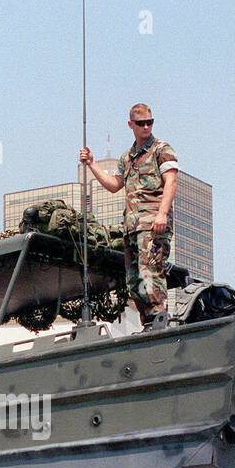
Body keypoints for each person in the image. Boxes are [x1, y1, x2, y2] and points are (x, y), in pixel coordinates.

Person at [79, 103, 180, 328]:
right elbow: (115, 185)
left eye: (150, 122)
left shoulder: (161, 149)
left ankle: (159, 318)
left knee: (150, 271)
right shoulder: (127, 158)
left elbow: (171, 181)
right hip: (132, 227)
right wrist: (92, 164)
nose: (146, 127)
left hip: (153, 223)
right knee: (133, 279)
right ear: (130, 125)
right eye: (141, 123)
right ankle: (148, 322)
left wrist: (162, 214)